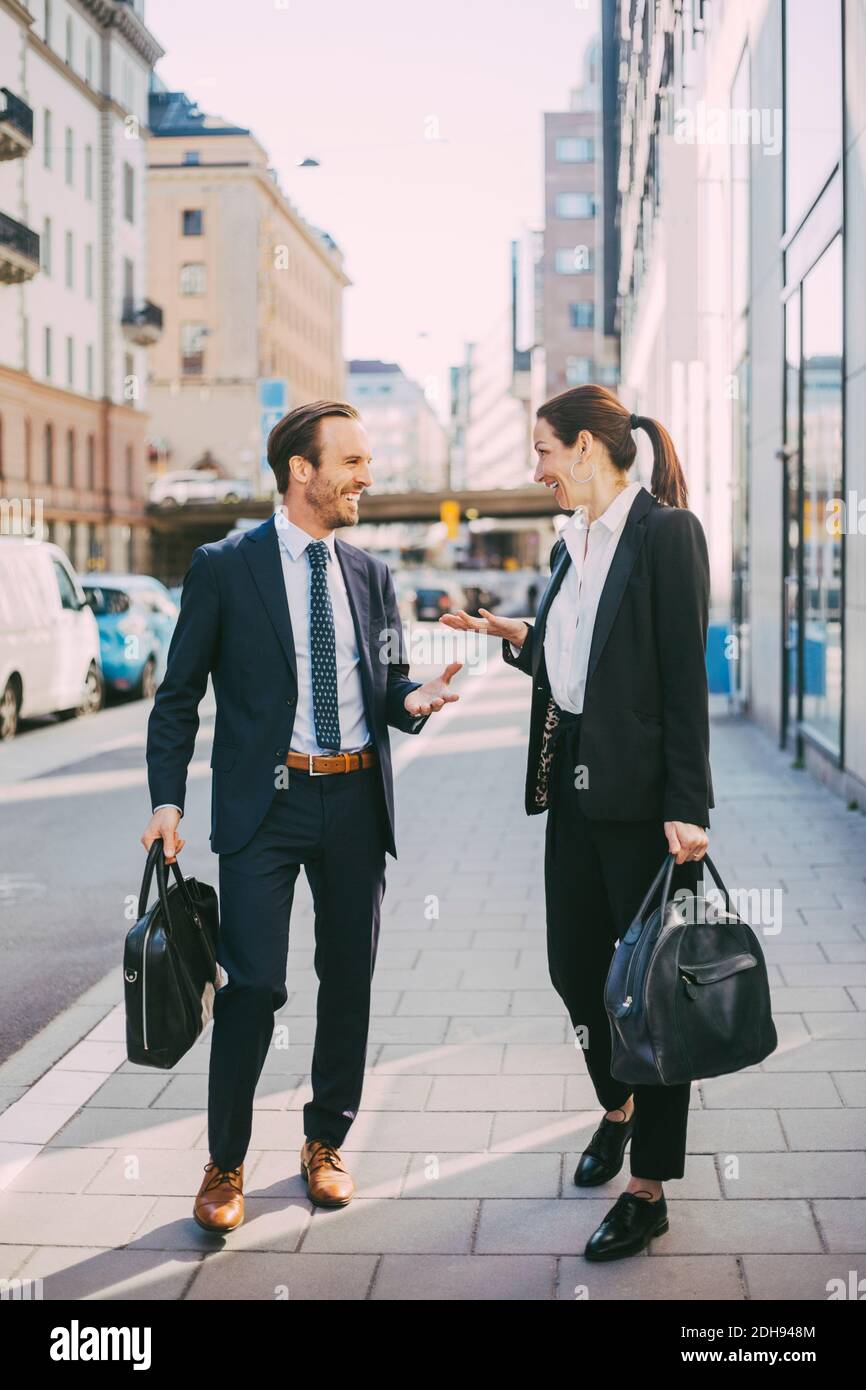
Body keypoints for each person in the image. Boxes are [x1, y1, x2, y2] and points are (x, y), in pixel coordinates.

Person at [142, 400, 461, 1233]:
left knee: (348, 976)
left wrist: (415, 701)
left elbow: (389, 687)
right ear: (301, 472)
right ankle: (225, 1164)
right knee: (253, 985)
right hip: (266, 806)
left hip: (355, 800)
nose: (368, 476)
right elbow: (177, 699)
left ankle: (326, 1141)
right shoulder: (224, 566)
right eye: (353, 462)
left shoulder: (372, 576)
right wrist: (167, 801)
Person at [442, 383, 713, 1261]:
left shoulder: (667, 535)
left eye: (545, 452)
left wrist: (688, 804)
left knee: (653, 994)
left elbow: (682, 678)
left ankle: (649, 1187)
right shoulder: (571, 545)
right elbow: (573, 661)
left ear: (589, 448)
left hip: (643, 807)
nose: (538, 469)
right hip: (573, 793)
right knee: (574, 971)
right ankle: (618, 1103)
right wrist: (510, 635)